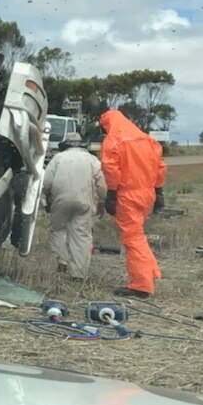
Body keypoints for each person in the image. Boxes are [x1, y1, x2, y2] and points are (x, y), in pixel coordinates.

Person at [98, 109, 166, 299]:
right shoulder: (147, 140)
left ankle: (141, 285)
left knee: (132, 237)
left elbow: (111, 169)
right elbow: (160, 168)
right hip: (147, 194)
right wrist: (159, 191)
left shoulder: (113, 141)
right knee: (137, 233)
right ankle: (151, 272)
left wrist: (111, 193)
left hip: (127, 195)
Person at [42, 132, 105, 278]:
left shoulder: (58, 158)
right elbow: (101, 184)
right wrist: (101, 201)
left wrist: (45, 199)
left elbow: (46, 182)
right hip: (85, 201)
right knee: (81, 235)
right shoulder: (92, 159)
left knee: (58, 230)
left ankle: (62, 261)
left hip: (60, 200)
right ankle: (79, 274)